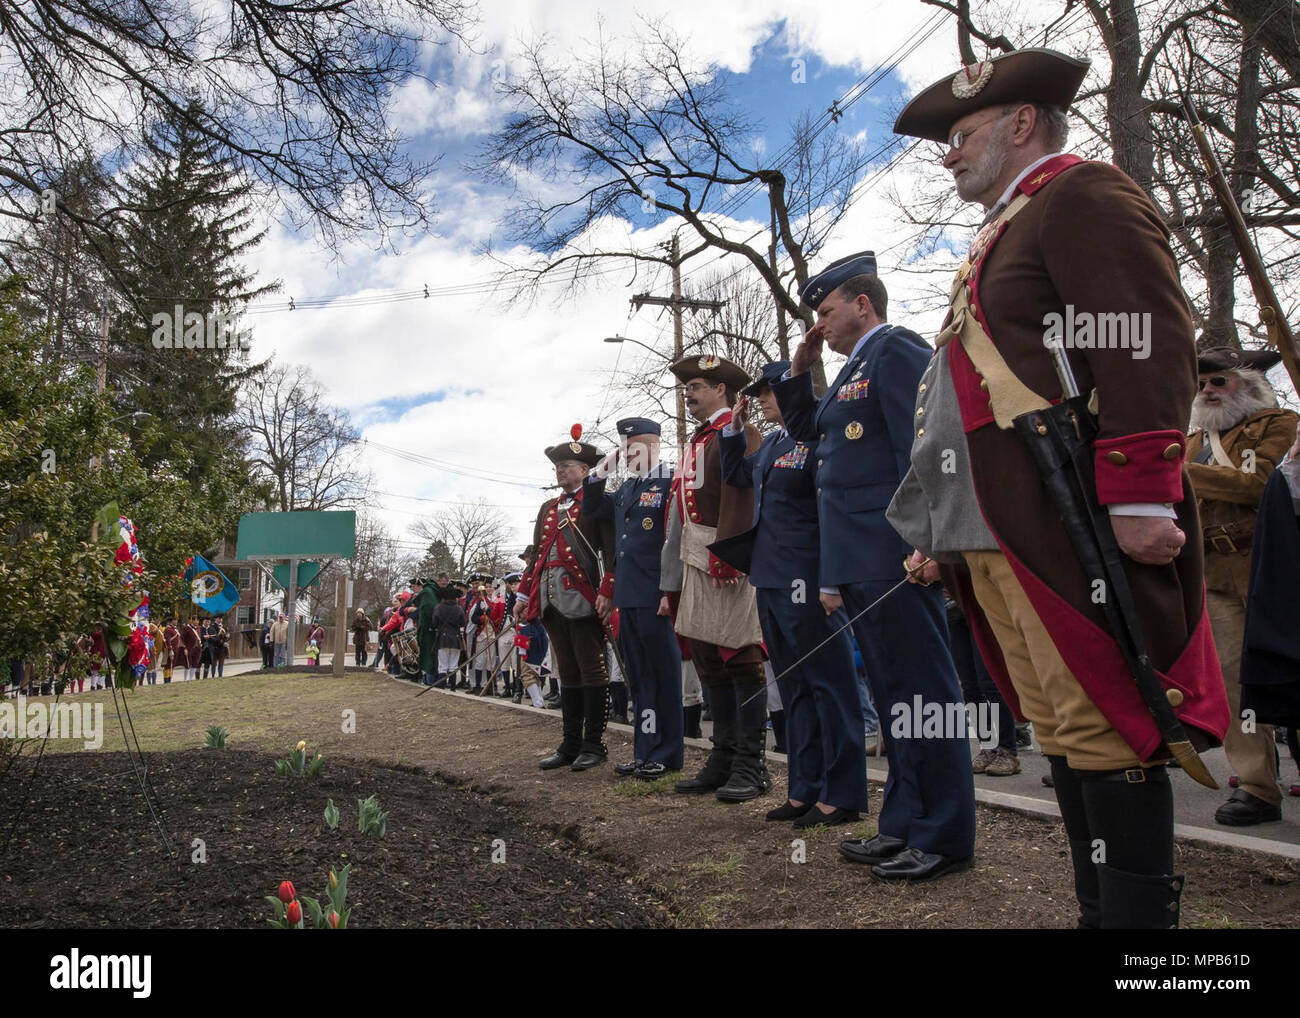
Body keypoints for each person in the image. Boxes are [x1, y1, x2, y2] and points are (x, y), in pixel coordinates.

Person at [890, 47, 1228, 923]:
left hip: (1066, 514)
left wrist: (1142, 492)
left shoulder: (1083, 196)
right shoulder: (1005, 229)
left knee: (1108, 724)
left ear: (1021, 122)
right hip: (1007, 526)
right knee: (1067, 732)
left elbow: (1146, 338)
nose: (948, 153)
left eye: (961, 135)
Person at [770, 255, 976, 881]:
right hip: (860, 560)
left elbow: (928, 445)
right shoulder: (847, 370)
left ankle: (943, 834)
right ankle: (904, 824)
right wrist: (801, 373)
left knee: (924, 694)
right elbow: (814, 438)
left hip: (898, 555)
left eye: (827, 311)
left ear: (863, 303)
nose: (821, 325)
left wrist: (934, 540)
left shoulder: (894, 349)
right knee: (892, 698)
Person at [720, 361, 871, 825]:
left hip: (808, 580)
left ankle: (842, 793)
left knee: (831, 685)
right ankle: (805, 788)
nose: (763, 398)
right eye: (760, 392)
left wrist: (831, 579)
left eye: (769, 391)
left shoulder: (818, 438)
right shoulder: (775, 444)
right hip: (769, 578)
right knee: (794, 688)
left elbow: (831, 515)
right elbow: (738, 477)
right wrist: (734, 430)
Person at [1186, 346, 1298, 826]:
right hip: (1212, 567)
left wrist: (1175, 470)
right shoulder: (1191, 440)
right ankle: (1256, 786)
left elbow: (1260, 481)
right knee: (1234, 683)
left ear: (1246, 384)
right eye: (1201, 383)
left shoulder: (1279, 423)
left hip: (1270, 563)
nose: (1207, 391)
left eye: (1219, 382)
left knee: (1289, 666)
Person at [660, 355, 770, 803]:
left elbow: (743, 494)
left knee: (740, 655)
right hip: (695, 556)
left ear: (722, 389)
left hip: (727, 555)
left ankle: (751, 763)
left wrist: (730, 551)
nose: (690, 394)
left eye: (698, 386)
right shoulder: (697, 441)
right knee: (707, 657)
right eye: (687, 387)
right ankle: (723, 757)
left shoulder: (737, 433)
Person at [582, 417, 685, 780]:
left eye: (633, 446)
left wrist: (668, 590)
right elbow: (592, 510)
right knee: (640, 678)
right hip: (629, 594)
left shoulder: (671, 479)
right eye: (624, 448)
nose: (627, 453)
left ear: (654, 445)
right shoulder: (628, 488)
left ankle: (669, 752)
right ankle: (645, 751)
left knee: (664, 675)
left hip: (656, 593)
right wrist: (597, 474)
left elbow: (675, 540)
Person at [515, 435, 616, 770]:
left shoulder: (598, 502)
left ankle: (594, 744)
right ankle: (570, 744)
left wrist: (607, 590)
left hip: (583, 596)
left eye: (566, 466)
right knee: (567, 672)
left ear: (585, 470)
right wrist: (522, 595)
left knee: (591, 668)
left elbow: (610, 552)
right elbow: (537, 559)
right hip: (549, 597)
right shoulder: (547, 508)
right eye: (557, 466)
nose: (560, 471)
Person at [431, 585, 468, 688]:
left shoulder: (438, 607)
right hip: (456, 638)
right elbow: (462, 623)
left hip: (443, 639)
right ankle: (452, 686)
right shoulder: (459, 608)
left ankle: (442, 685)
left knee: (442, 664)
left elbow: (434, 623)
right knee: (453, 664)